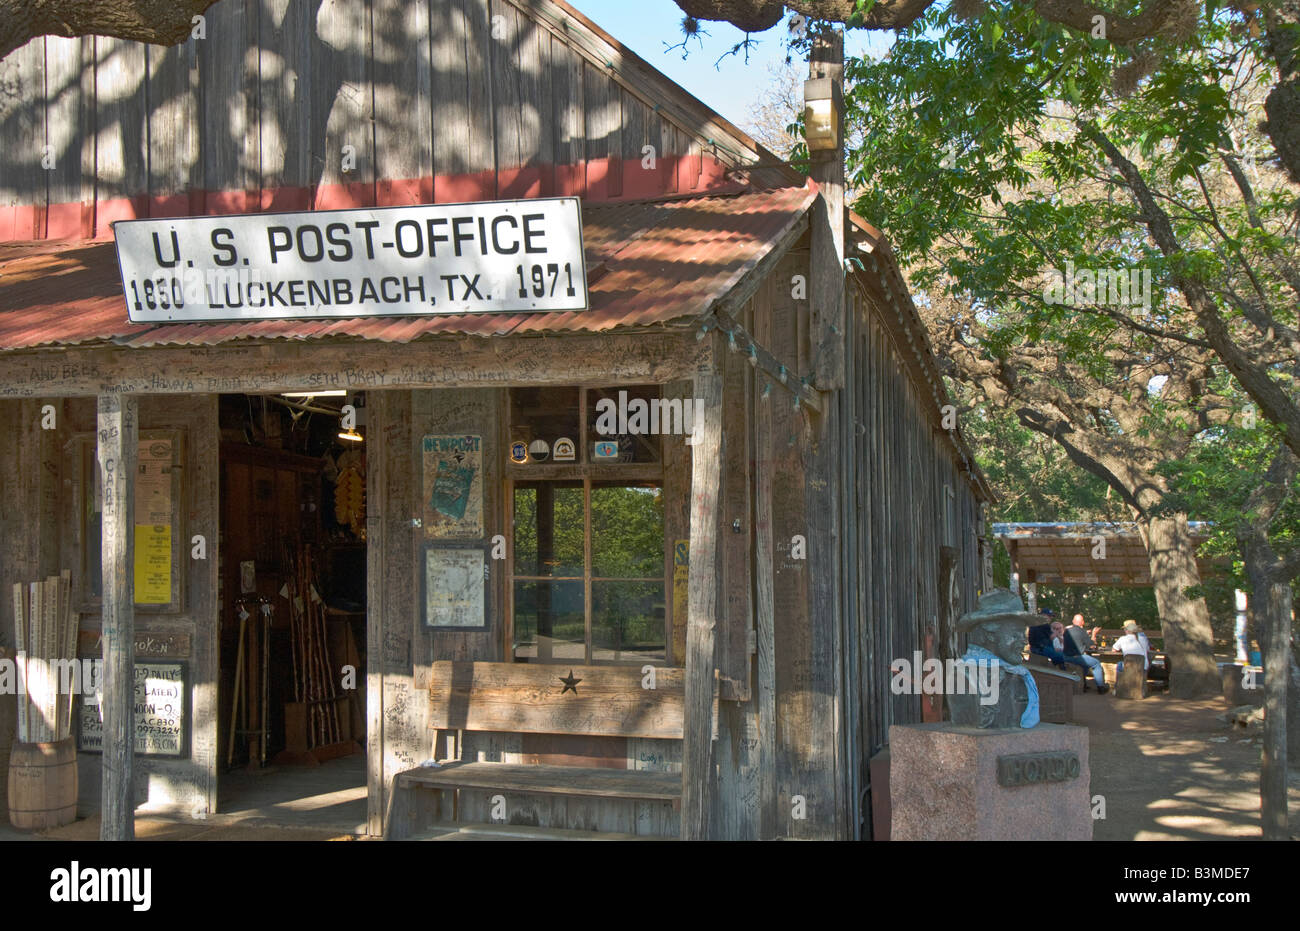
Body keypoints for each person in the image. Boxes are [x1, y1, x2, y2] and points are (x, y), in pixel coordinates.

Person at [1062, 616, 1108, 693]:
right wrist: (1094, 634)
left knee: (1085, 665)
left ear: (1073, 621)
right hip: (1076, 657)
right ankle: (1101, 688)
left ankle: (1084, 684)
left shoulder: (1066, 631)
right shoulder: (1082, 631)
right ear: (1082, 622)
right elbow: (1092, 646)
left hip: (1065, 656)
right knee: (1096, 663)